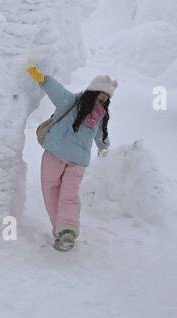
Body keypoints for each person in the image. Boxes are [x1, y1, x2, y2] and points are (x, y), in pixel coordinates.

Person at [26, 65, 115, 252]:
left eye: (107, 96)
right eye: (102, 93)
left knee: (65, 194)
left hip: (72, 160)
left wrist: (104, 148)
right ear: (93, 91)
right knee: (55, 192)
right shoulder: (70, 101)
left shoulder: (98, 115)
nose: (104, 98)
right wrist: (41, 78)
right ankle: (63, 229)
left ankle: (66, 230)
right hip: (57, 155)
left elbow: (101, 136)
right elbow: (55, 89)